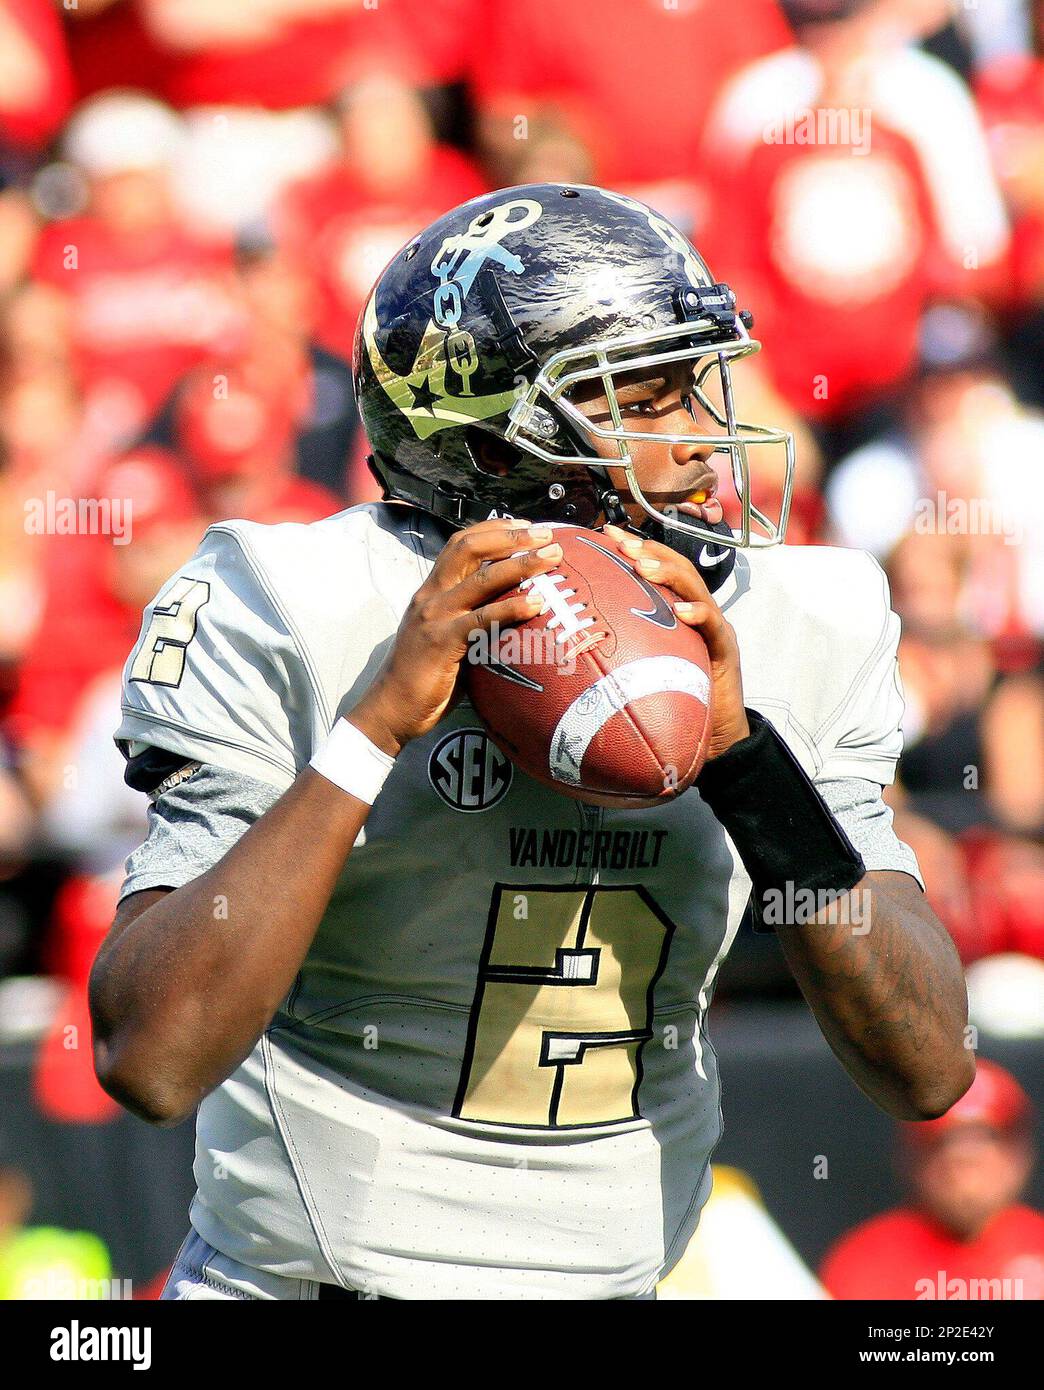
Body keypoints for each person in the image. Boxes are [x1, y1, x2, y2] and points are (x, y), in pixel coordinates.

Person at [89, 184, 972, 1301]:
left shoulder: (801, 618)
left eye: (699, 386)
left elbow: (928, 1061)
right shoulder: (297, 604)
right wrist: (366, 735)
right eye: (644, 401)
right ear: (502, 444)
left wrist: (751, 762)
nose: (705, 442)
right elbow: (151, 1056)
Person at [821, 1058, 1044, 1299]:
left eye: (986, 1137)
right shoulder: (865, 1262)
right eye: (941, 1140)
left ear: (1020, 1154)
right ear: (913, 1156)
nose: (963, 1158)